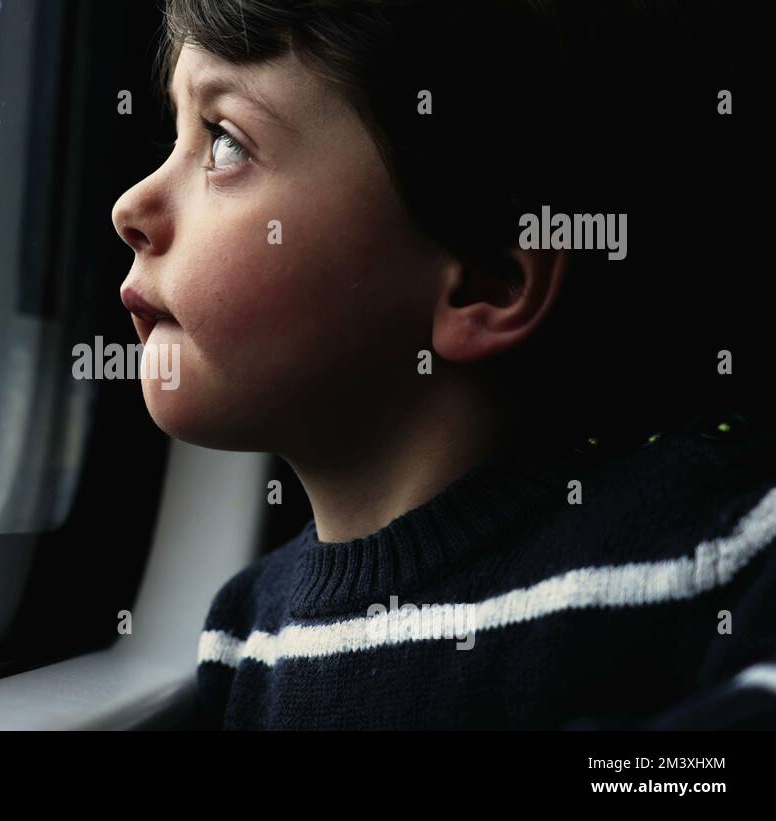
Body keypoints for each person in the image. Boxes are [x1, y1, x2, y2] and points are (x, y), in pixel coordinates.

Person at [111, 0, 773, 728]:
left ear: (486, 282)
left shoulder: (716, 543)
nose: (130, 205)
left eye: (225, 143)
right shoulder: (242, 636)